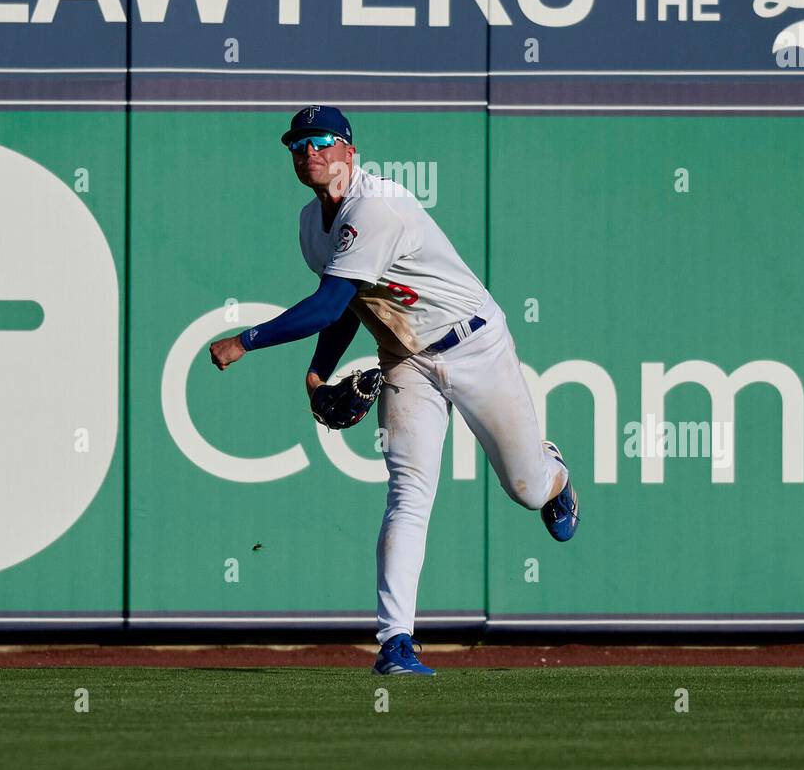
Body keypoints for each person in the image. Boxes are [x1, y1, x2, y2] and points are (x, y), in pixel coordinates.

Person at [210, 105, 578, 676]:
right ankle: (395, 643)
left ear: (350, 152)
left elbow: (329, 303)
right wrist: (316, 376)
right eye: (299, 144)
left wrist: (247, 341)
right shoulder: (312, 225)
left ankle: (555, 473)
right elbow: (349, 307)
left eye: (325, 141)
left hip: (473, 345)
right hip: (405, 358)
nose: (311, 152)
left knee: (528, 488)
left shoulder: (375, 207)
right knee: (408, 493)